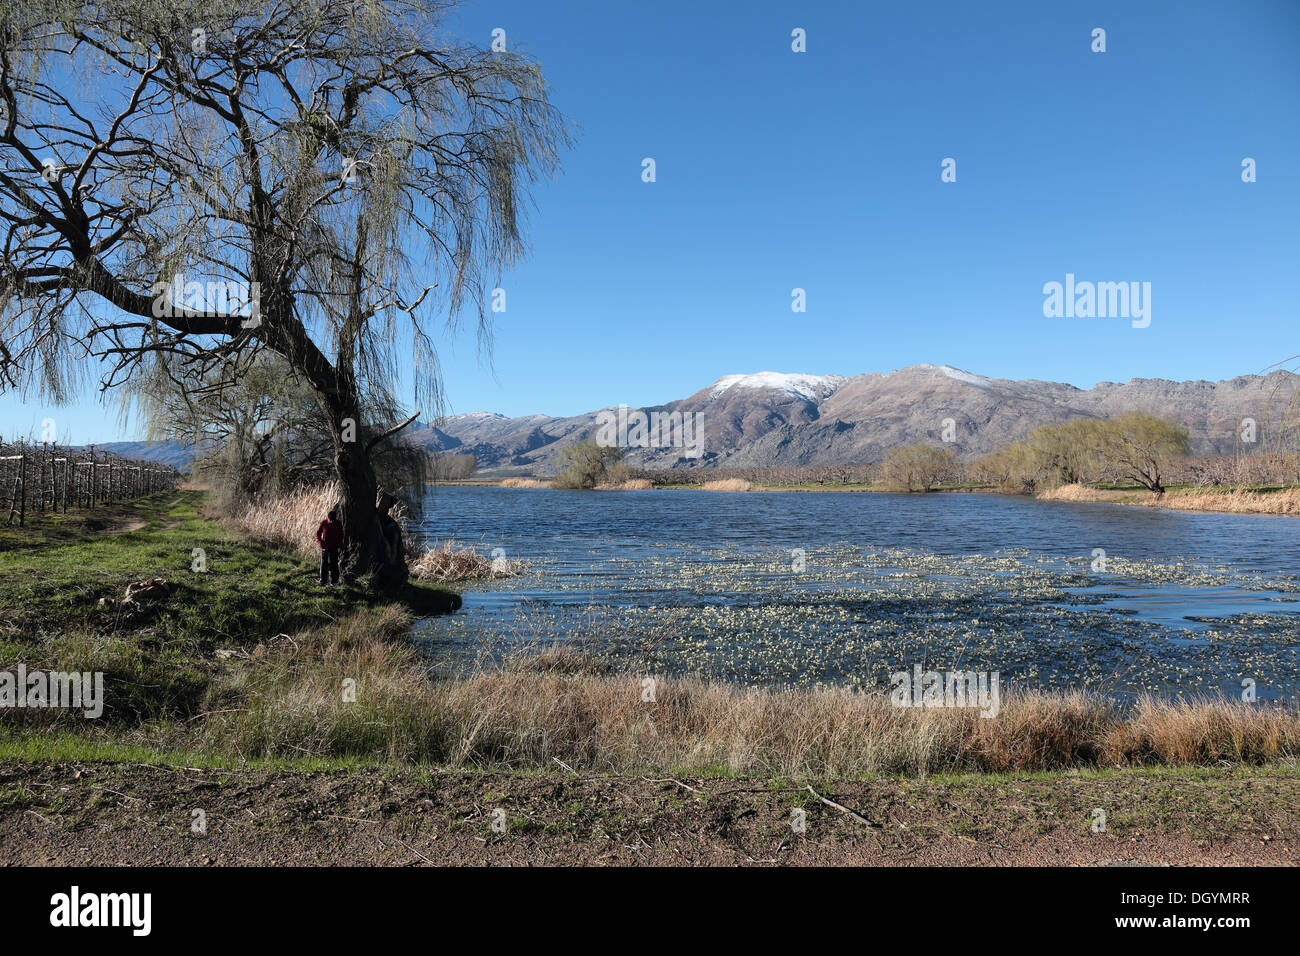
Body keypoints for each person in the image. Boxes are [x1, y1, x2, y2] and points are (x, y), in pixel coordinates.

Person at [315, 508, 344, 586]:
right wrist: (320, 542)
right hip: (325, 547)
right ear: (328, 518)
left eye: (333, 520)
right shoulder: (324, 523)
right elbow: (318, 533)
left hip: (334, 547)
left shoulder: (338, 523)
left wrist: (339, 544)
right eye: (331, 520)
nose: (332, 521)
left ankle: (334, 582)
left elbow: (341, 535)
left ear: (335, 518)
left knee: (334, 564)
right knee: (323, 564)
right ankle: (323, 581)